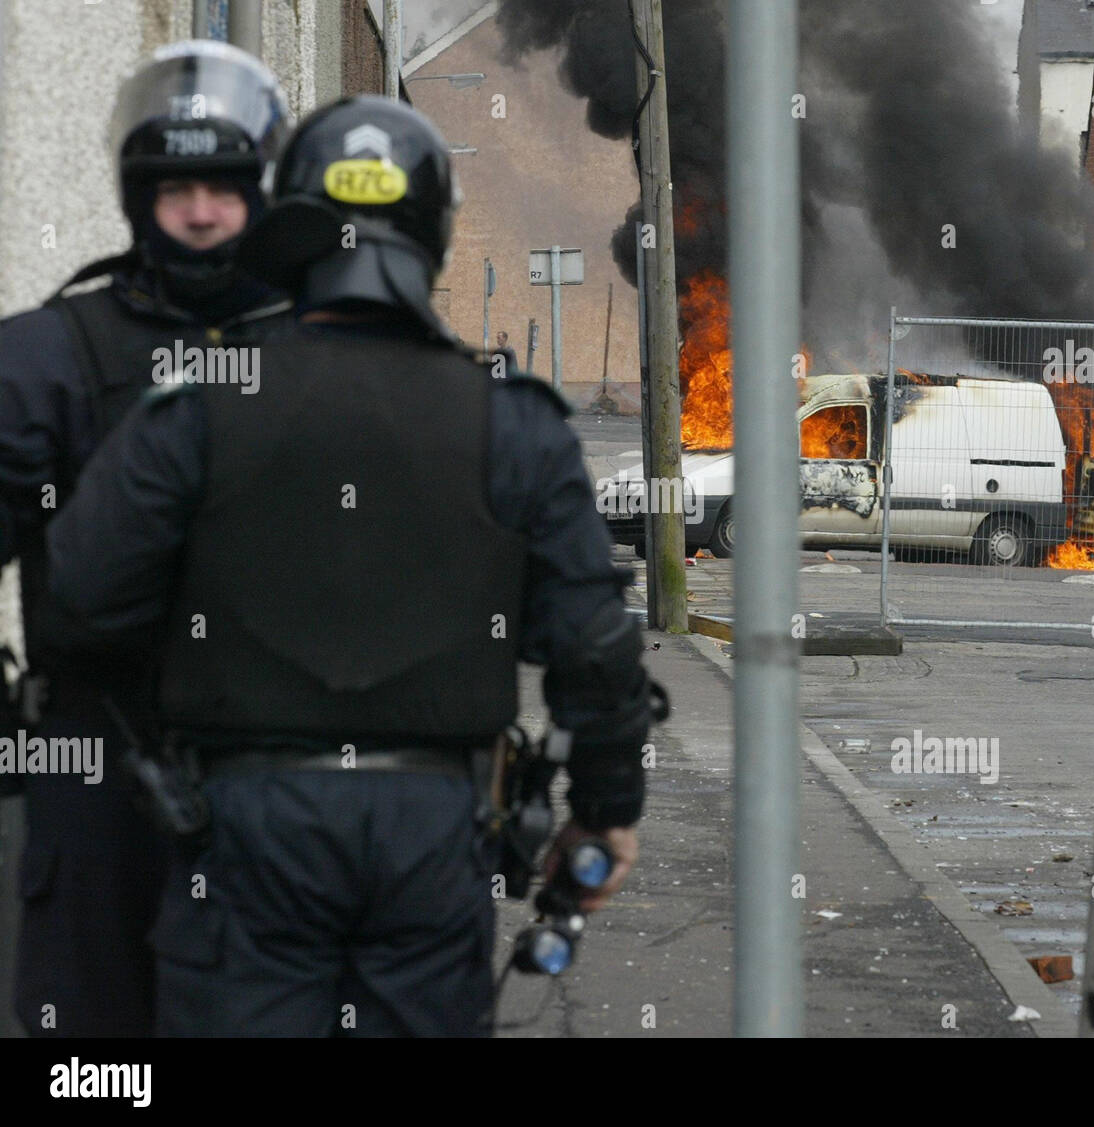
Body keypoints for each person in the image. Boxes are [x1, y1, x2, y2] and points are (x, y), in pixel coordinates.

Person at [43, 94, 660, 1038]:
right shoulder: (512, 418)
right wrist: (606, 812)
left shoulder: (205, 398)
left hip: (241, 825)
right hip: (434, 829)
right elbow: (595, 646)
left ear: (288, 221)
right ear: (438, 233)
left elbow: (82, 598)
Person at [0, 39, 293, 1037]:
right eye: (175, 187)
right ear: (137, 193)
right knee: (86, 1052)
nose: (202, 212)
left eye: (221, 184)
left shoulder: (329, 353)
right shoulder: (46, 359)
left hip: (288, 770)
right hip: (94, 764)